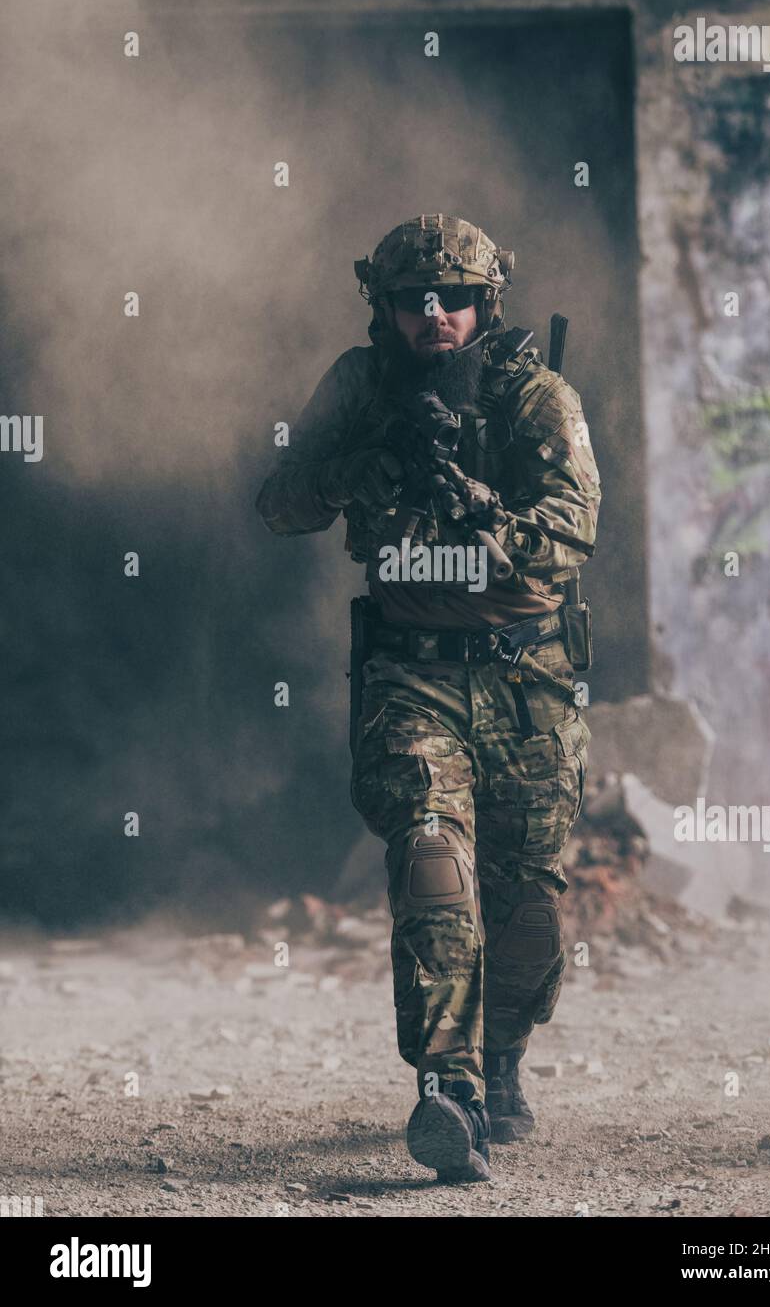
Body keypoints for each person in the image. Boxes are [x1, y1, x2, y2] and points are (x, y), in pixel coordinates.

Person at [256, 214, 601, 1182]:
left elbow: (570, 535)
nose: (435, 317)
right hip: (411, 677)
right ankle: (445, 1089)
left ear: (485, 304)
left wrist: (484, 517)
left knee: (527, 906)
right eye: (413, 301)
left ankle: (498, 1061)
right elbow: (277, 501)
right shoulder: (360, 390)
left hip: (524, 679)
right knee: (430, 859)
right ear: (385, 309)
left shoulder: (534, 397)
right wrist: (349, 469)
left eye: (454, 299)